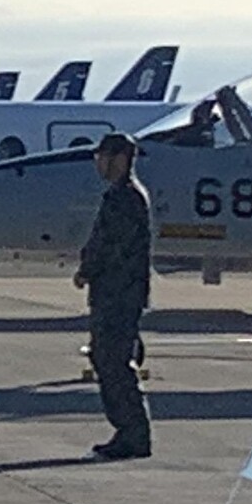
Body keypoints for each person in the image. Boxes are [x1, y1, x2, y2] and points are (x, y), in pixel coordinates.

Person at [74, 132, 153, 461]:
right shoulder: (121, 196)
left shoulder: (125, 199)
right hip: (114, 292)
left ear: (120, 159)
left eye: (104, 157)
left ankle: (134, 434)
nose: (99, 164)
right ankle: (127, 431)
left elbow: (110, 245)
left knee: (114, 362)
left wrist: (88, 270)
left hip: (119, 293)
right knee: (106, 359)